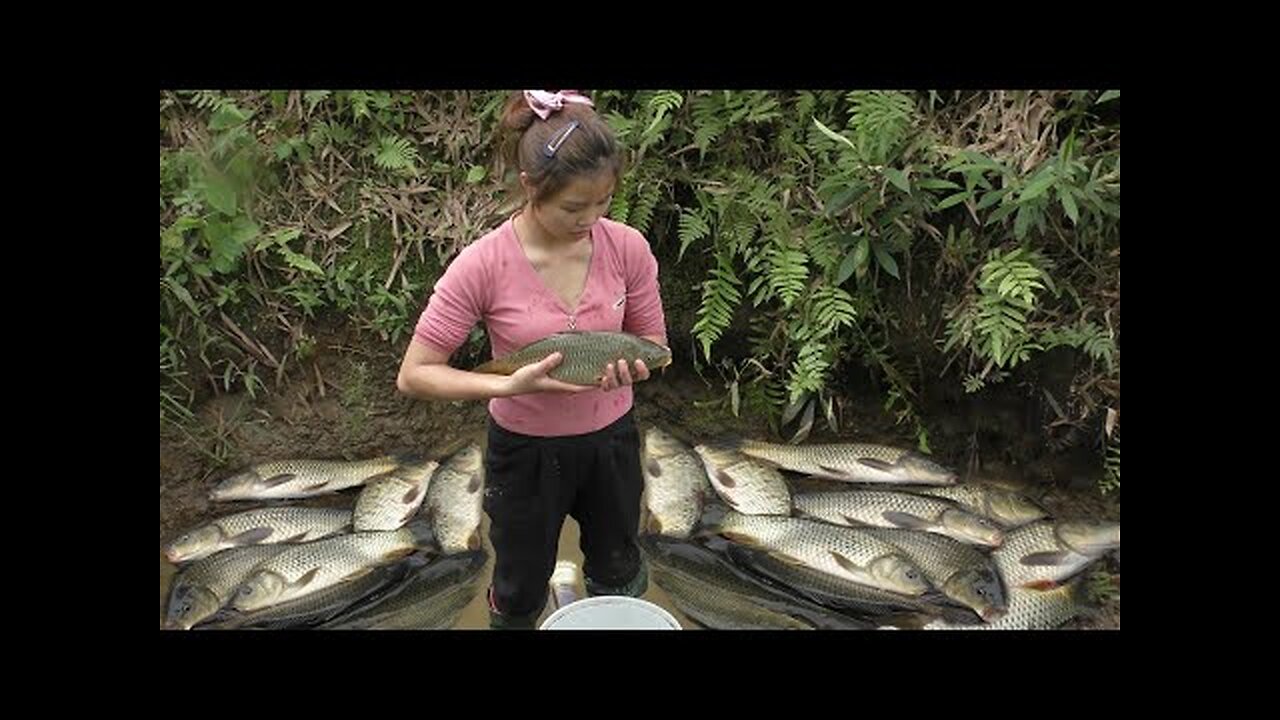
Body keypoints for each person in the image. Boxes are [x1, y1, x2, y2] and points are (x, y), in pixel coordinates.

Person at [396, 90, 669, 629]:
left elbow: (654, 342)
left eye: (604, 202)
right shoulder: (482, 265)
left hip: (611, 444)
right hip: (524, 453)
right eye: (573, 207)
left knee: (618, 565)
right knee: (518, 583)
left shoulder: (628, 248)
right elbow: (415, 374)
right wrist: (508, 386)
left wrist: (634, 369)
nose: (590, 218)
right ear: (529, 186)